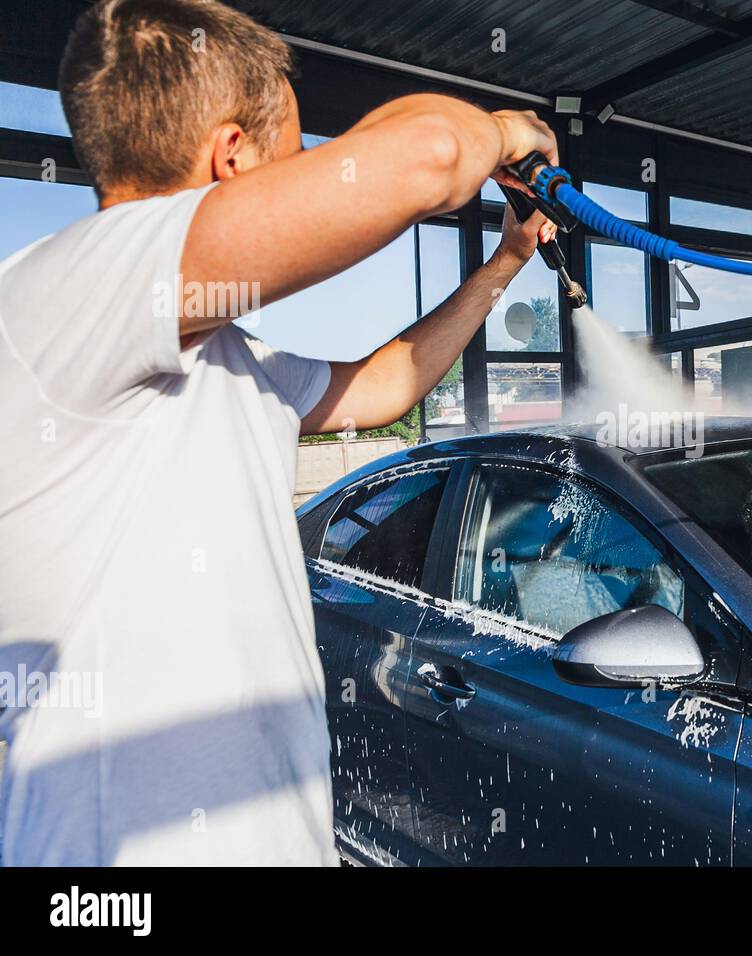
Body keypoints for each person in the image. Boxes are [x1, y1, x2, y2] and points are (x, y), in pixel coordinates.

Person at [0, 0, 558, 865]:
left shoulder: (222, 351)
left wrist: (504, 266)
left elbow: (381, 388)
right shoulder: (68, 289)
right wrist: (499, 128)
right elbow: (431, 155)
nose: (311, 186)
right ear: (231, 159)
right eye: (293, 164)